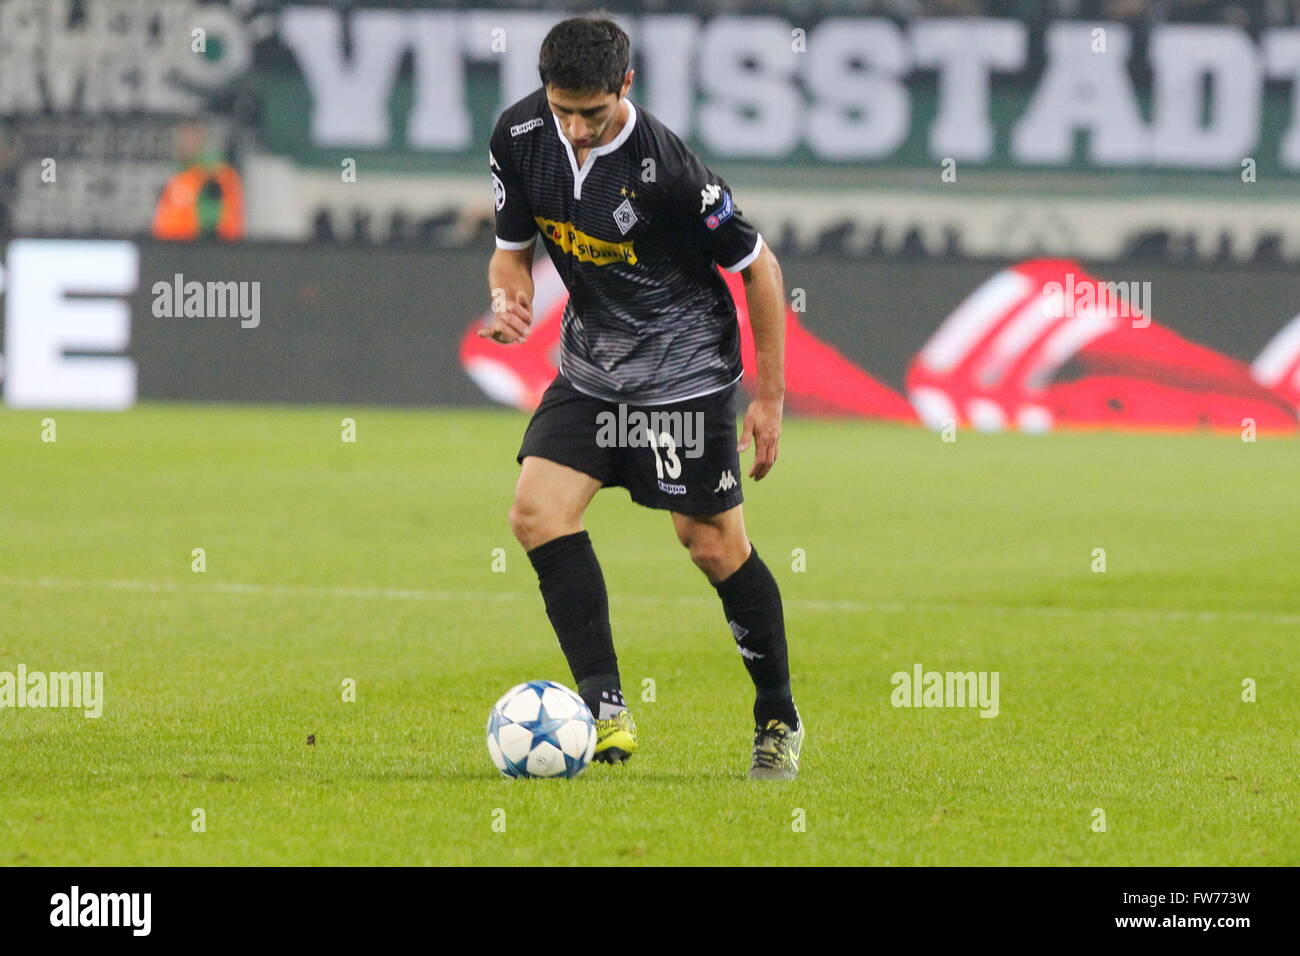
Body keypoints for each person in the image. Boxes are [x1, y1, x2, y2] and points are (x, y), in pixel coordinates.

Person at [480, 15, 801, 778]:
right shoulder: (519, 137)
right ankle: (604, 707)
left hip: (683, 378)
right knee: (535, 513)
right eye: (564, 110)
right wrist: (508, 299)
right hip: (592, 371)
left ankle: (777, 716)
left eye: (592, 113)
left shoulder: (671, 172)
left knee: (714, 546)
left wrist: (770, 398)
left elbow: (760, 268)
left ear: (625, 86)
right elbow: (510, 255)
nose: (577, 128)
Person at [152, 121, 244, 241]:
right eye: (182, 138)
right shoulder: (180, 175)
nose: (184, 143)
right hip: (170, 249)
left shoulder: (212, 174)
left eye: (189, 138)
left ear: (201, 140)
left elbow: (214, 222)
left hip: (194, 251)